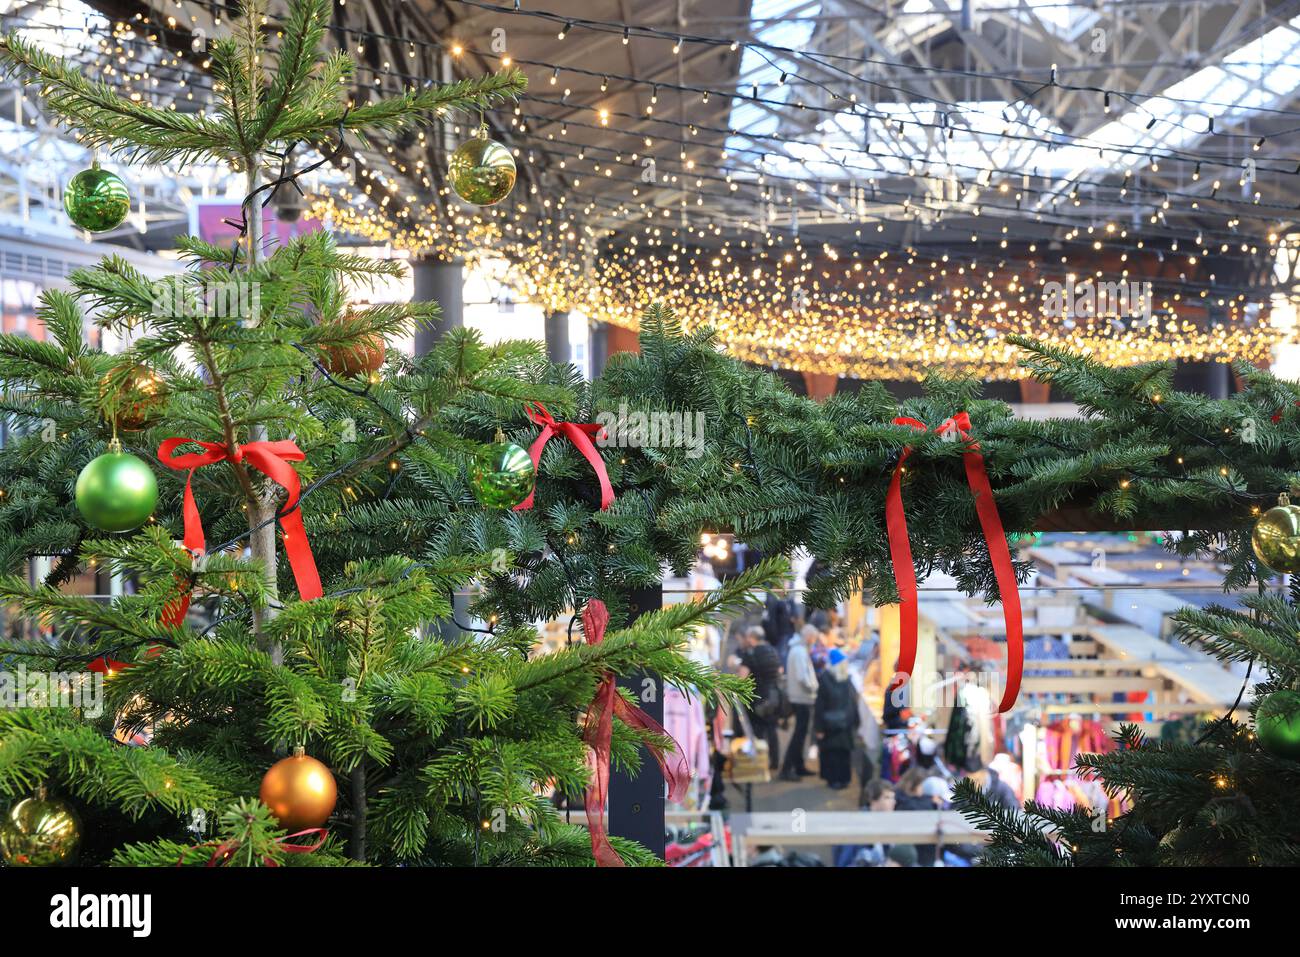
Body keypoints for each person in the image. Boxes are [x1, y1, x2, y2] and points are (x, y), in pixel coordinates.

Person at [736, 626, 783, 770]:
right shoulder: (773, 651)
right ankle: (774, 762)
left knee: (758, 731)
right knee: (772, 729)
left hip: (757, 698)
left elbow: (741, 678)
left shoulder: (750, 654)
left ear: (751, 638)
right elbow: (780, 671)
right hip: (774, 696)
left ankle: (760, 762)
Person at [814, 648, 859, 790]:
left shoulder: (827, 678)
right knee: (838, 753)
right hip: (839, 725)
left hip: (833, 725)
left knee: (836, 753)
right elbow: (820, 706)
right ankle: (839, 779)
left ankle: (837, 779)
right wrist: (818, 728)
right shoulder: (844, 680)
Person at [779, 624, 820, 780]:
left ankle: (798, 765)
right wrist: (814, 689)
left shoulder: (798, 650)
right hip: (802, 698)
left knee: (800, 735)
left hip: (800, 697)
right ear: (809, 637)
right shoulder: (799, 652)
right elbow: (803, 678)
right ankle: (787, 769)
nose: (814, 642)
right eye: (814, 638)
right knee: (799, 735)